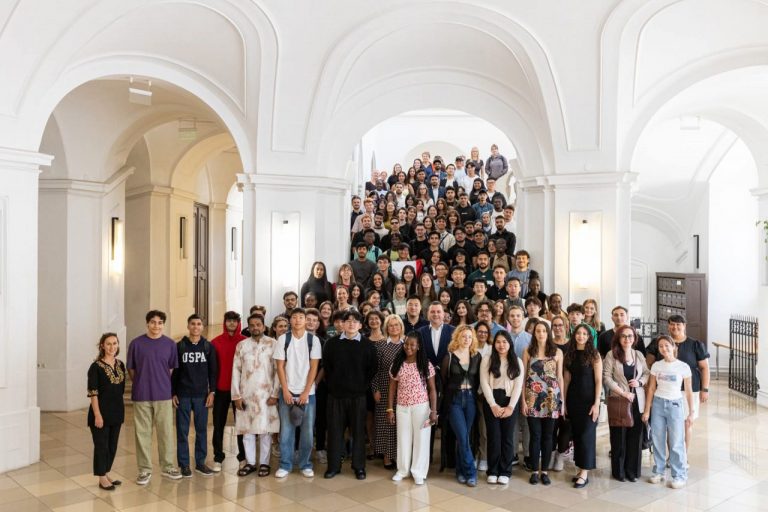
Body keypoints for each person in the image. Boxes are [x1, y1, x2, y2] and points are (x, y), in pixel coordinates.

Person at [126, 310, 181, 485]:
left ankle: (168, 467)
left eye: (159, 323)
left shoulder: (170, 344)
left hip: (163, 395)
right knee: (142, 434)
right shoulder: (136, 344)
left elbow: (170, 369)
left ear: (163, 325)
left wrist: (161, 382)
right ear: (147, 324)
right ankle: (144, 470)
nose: (156, 326)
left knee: (165, 432)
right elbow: (132, 369)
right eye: (153, 322)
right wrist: (141, 382)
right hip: (141, 395)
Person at [323, 310, 378, 480]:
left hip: (358, 396)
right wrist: (333, 387)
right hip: (336, 396)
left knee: (358, 434)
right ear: (342, 324)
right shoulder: (331, 344)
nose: (351, 323)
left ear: (361, 325)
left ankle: (359, 467)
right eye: (348, 321)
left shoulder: (367, 345)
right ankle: (333, 467)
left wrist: (361, 386)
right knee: (334, 432)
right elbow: (327, 367)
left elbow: (372, 369)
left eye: (355, 321)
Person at [646, 314, 709, 452]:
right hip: (665, 390)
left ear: (684, 326)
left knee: (687, 422)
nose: (675, 327)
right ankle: (671, 456)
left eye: (678, 324)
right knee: (670, 425)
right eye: (672, 324)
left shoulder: (695, 345)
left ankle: (683, 455)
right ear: (668, 326)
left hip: (689, 390)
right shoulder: (659, 343)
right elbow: (649, 363)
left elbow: (704, 368)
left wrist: (705, 389)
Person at [273, 308, 322, 478]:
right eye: (294, 317)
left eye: (301, 317)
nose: (298, 320)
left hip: (308, 393)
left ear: (306, 320)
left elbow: (314, 366)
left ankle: (305, 464)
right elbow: (279, 366)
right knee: (286, 430)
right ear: (290, 320)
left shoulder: (313, 340)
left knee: (307, 430)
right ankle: (285, 464)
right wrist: (285, 390)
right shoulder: (283, 339)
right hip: (287, 391)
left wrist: (306, 392)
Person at [643, 334, 695, 489]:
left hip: (675, 405)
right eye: (661, 346)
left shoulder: (683, 367)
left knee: (676, 441)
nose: (664, 348)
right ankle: (658, 471)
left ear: (674, 347)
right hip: (658, 404)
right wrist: (647, 410)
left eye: (667, 345)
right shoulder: (656, 366)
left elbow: (689, 391)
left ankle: (679, 475)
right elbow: (651, 388)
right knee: (657, 439)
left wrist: (691, 412)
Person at [231, 314, 280, 478]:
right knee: (247, 430)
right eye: (252, 325)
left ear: (264, 326)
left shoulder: (273, 344)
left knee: (265, 431)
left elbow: (278, 371)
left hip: (267, 395)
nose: (255, 328)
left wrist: (275, 393)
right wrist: (236, 396)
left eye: (258, 324)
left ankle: (265, 463)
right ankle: (250, 463)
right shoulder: (241, 345)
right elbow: (235, 371)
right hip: (246, 394)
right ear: (248, 327)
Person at [388, 331, 438, 485]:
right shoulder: (397, 364)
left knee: (421, 440)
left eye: (412, 345)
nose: (408, 347)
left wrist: (433, 411)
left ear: (418, 347)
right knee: (403, 438)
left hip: (421, 407)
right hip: (402, 407)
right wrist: (390, 410)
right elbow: (392, 389)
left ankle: (418, 472)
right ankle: (402, 470)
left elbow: (432, 389)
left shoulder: (425, 364)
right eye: (406, 344)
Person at [172, 314, 217, 477]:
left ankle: (200, 462)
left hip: (201, 396)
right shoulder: (179, 347)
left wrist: (212, 391)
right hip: (183, 395)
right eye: (193, 324)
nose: (196, 327)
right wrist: (173, 393)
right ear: (188, 326)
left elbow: (213, 372)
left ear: (202, 327)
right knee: (182, 431)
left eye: (199, 324)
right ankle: (184, 464)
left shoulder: (208, 347)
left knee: (201, 430)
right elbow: (175, 372)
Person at [603, 324, 649, 482]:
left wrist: (640, 382)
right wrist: (623, 393)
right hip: (620, 401)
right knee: (618, 437)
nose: (627, 339)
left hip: (638, 401)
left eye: (630, 336)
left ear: (634, 338)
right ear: (618, 338)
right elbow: (606, 377)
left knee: (635, 437)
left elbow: (647, 373)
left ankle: (632, 472)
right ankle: (619, 472)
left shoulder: (638, 355)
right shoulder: (611, 355)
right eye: (623, 336)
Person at [522, 321, 563, 486]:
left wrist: (563, 401)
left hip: (551, 398)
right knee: (535, 436)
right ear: (534, 334)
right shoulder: (527, 351)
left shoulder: (557, 352)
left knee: (548, 436)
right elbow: (523, 378)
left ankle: (544, 471)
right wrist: (522, 401)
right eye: (538, 331)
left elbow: (560, 377)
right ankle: (534, 471)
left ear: (548, 333)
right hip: (532, 398)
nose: (540, 334)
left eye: (543, 331)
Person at [480, 330, 523, 485]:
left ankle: (505, 471)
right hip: (492, 399)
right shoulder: (487, 360)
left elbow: (518, 386)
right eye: (498, 342)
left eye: (504, 341)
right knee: (494, 437)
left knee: (507, 437)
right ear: (494, 344)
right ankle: (493, 470)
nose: (501, 345)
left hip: (510, 400)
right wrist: (492, 405)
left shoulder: (517, 361)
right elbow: (484, 383)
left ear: (509, 343)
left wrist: (511, 407)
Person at [563, 324, 602, 488]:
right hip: (573, 400)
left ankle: (585, 473)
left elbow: (599, 380)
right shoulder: (569, 354)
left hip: (589, 401)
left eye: (584, 333)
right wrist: (564, 403)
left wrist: (597, 403)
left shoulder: (594, 354)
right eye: (578, 333)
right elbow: (566, 380)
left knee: (587, 436)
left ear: (589, 336)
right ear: (574, 335)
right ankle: (580, 469)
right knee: (578, 436)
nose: (581, 336)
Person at [442, 325, 482, 487]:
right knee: (463, 435)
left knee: (464, 437)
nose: (467, 339)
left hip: (471, 399)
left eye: (470, 337)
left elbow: (479, 379)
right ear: (457, 337)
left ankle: (460, 471)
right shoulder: (449, 357)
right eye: (464, 336)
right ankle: (471, 472)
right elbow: (444, 380)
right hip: (455, 400)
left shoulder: (476, 356)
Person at [87, 333, 126, 490]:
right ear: (102, 346)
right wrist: (97, 414)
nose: (112, 347)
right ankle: (101, 477)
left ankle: (106, 472)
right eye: (108, 344)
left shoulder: (120, 365)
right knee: (101, 446)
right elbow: (93, 392)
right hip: (100, 413)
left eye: (115, 343)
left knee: (112, 446)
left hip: (117, 411)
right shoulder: (95, 367)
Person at [211, 311, 247, 472]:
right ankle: (218, 457)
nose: (231, 323)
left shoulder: (245, 342)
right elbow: (212, 369)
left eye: (234, 321)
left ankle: (243, 457)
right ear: (224, 322)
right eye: (229, 321)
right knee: (218, 424)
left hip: (240, 391)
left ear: (238, 323)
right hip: (221, 389)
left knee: (241, 425)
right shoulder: (215, 343)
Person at [372, 314, 405, 469]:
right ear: (386, 328)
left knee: (401, 423)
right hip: (384, 388)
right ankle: (387, 456)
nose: (394, 328)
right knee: (387, 423)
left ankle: (399, 455)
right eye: (391, 325)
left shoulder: (407, 345)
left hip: (404, 390)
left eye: (396, 325)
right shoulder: (380, 345)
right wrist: (375, 389)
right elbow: (374, 370)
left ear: (401, 327)